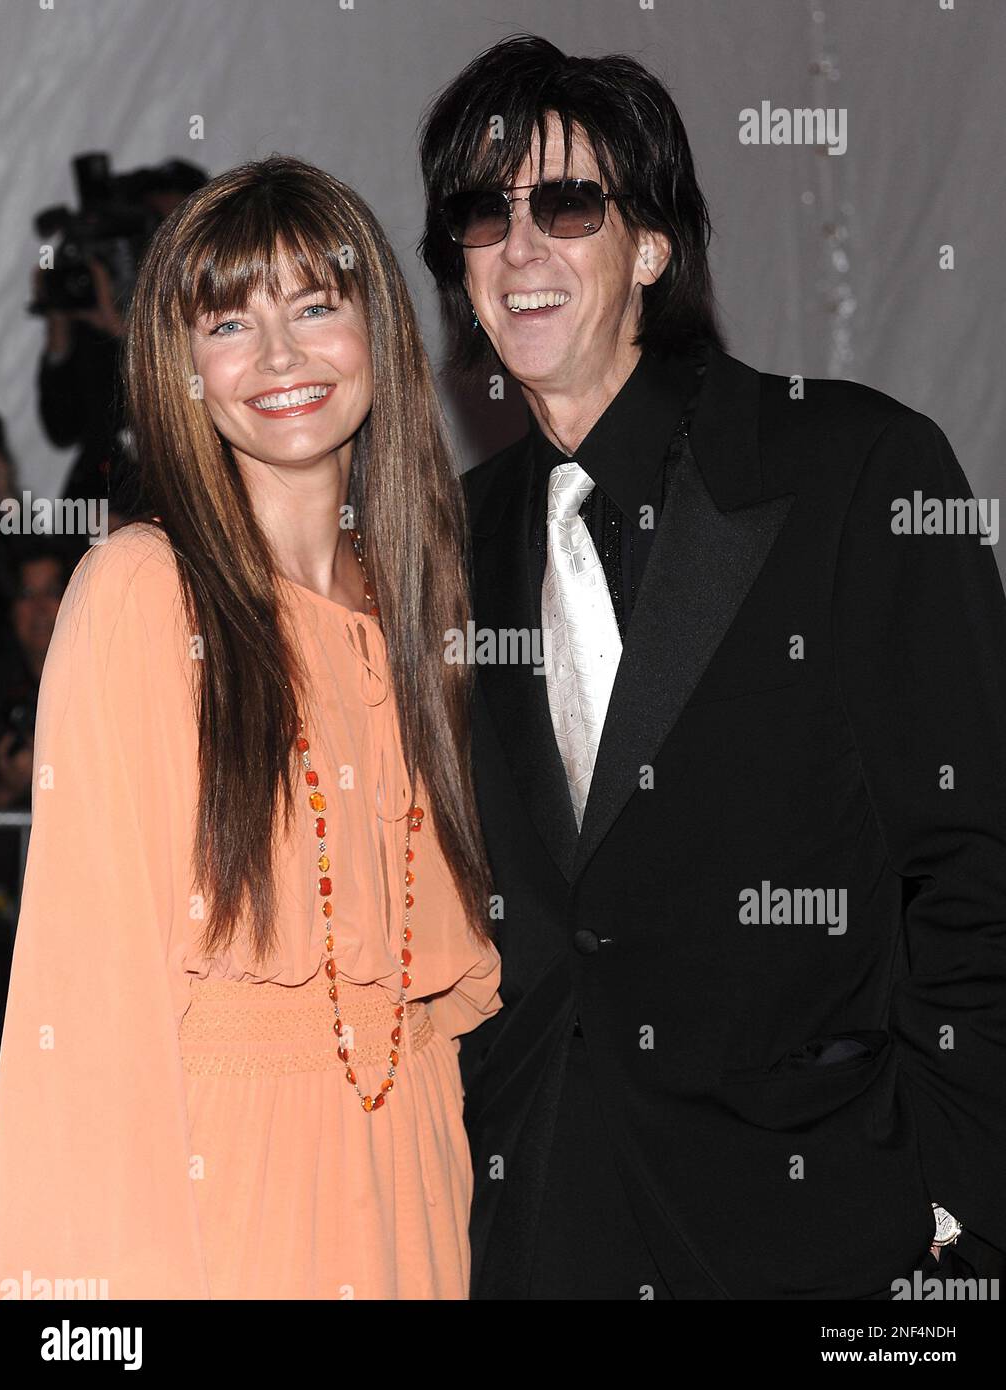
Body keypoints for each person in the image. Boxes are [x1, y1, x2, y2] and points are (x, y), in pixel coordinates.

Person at [418, 34, 1006, 1299]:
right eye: (483, 212)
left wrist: (963, 1216)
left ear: (648, 247)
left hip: (823, 1225)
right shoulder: (446, 543)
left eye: (566, 203)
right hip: (538, 1224)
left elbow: (974, 856)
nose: (519, 247)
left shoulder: (856, 469)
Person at [0, 153, 501, 1300]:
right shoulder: (140, 594)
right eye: (232, 322)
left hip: (418, 1177)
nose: (280, 357)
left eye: (317, 306)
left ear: (380, 335)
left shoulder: (427, 607)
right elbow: (84, 1017)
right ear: (182, 372)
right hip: (230, 1209)